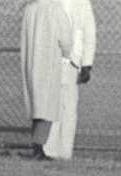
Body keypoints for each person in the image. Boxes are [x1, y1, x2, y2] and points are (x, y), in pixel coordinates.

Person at [20, 0, 72, 160]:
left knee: (37, 104)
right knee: (47, 106)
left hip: (31, 61)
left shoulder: (29, 10)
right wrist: (67, 54)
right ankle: (39, 149)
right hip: (49, 62)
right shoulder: (56, 9)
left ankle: (37, 146)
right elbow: (65, 40)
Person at [45, 0, 95, 161]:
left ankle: (65, 153)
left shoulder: (83, 4)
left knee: (69, 108)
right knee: (51, 107)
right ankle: (49, 150)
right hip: (52, 61)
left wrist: (87, 64)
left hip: (72, 63)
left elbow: (89, 33)